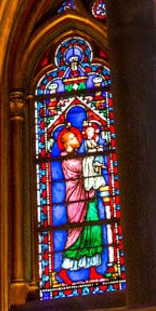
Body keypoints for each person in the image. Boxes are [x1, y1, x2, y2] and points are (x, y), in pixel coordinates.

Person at [56, 115, 110, 281]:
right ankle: (63, 272)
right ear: (65, 143)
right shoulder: (66, 158)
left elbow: (88, 166)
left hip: (89, 197)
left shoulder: (80, 156)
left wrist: (95, 160)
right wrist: (93, 154)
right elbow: (80, 168)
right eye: (72, 137)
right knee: (75, 234)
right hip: (76, 200)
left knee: (94, 231)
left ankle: (94, 270)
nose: (76, 138)